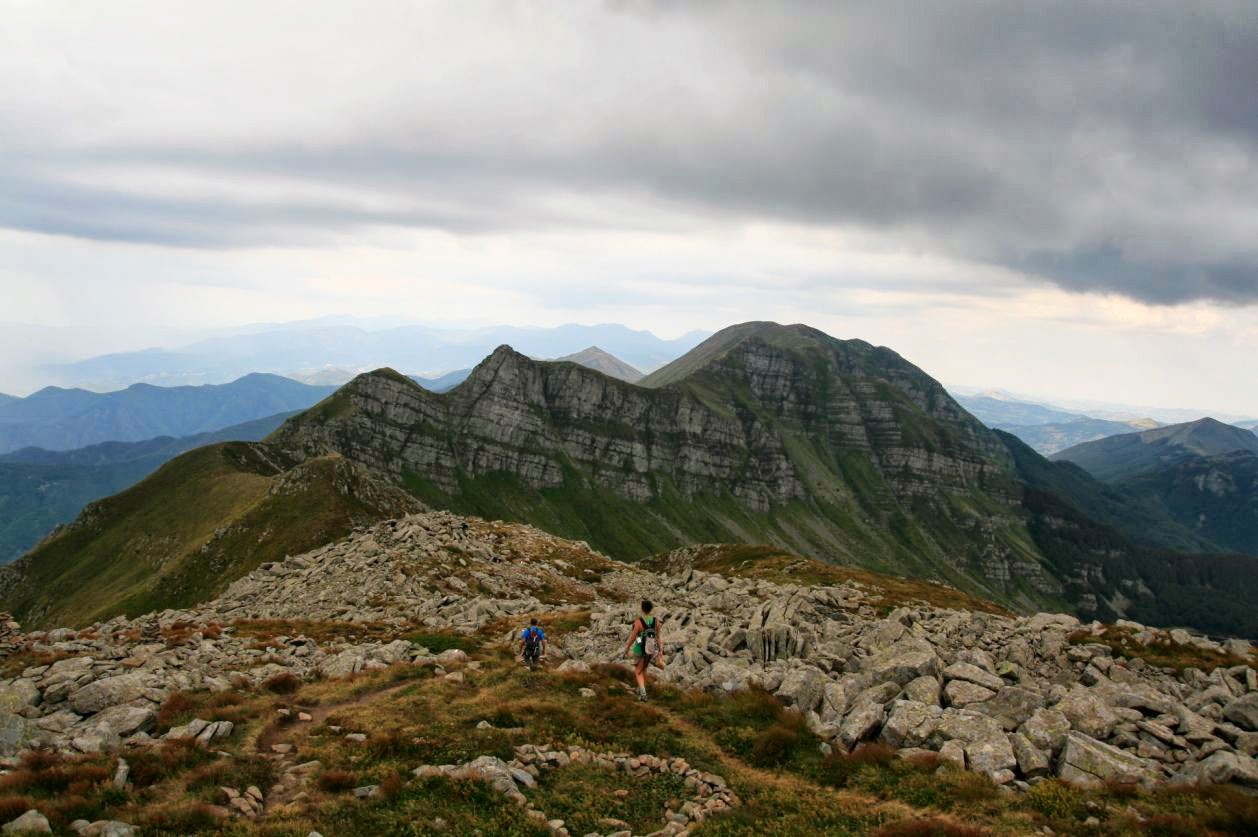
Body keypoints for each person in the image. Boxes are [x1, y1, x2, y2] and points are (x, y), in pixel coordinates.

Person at [623, 599, 664, 701]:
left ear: (642, 608)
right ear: (651, 609)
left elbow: (633, 637)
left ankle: (643, 694)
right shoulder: (656, 621)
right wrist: (660, 651)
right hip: (650, 649)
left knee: (638, 671)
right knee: (644, 669)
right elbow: (658, 637)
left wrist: (627, 648)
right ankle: (642, 688)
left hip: (639, 648)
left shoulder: (639, 622)